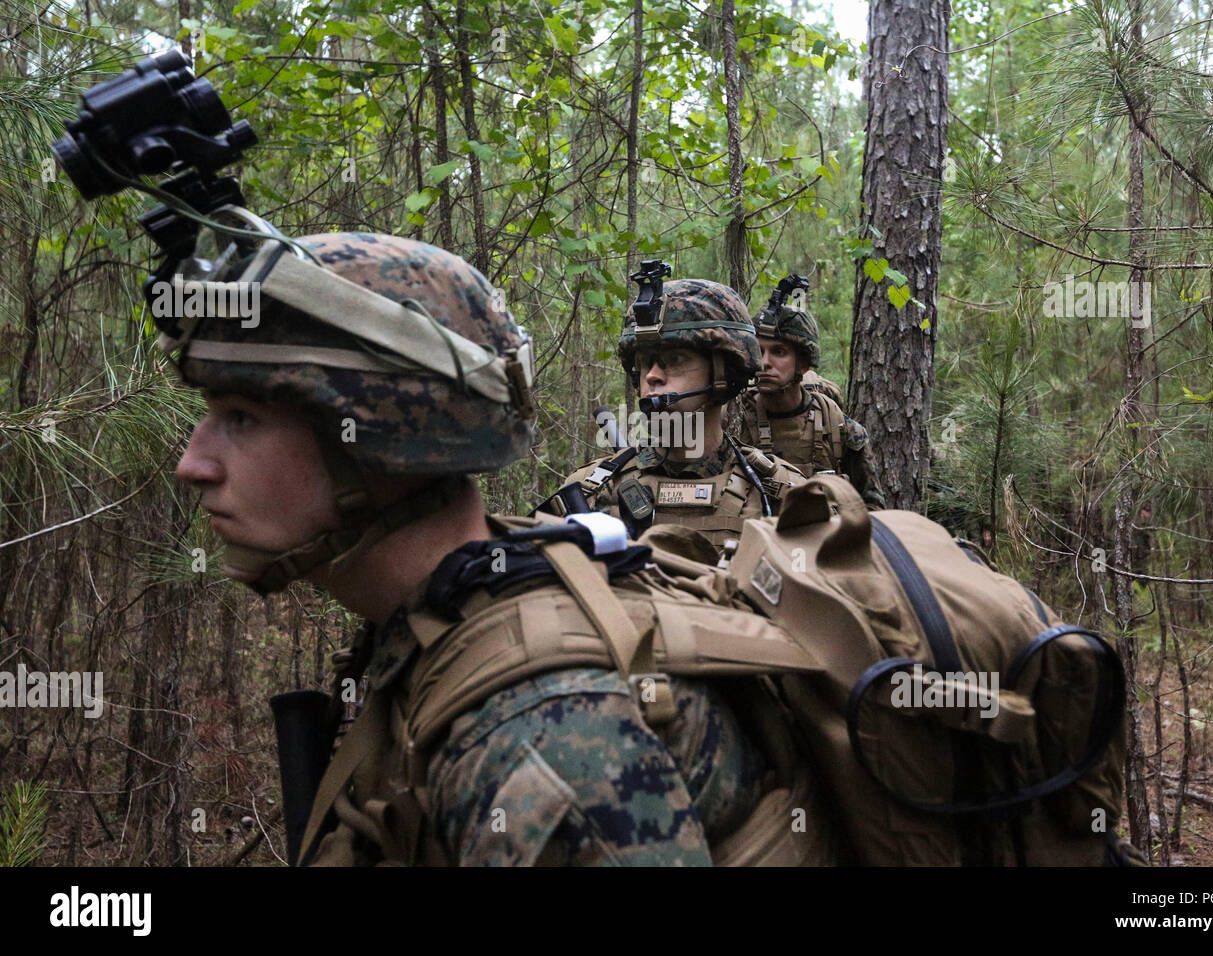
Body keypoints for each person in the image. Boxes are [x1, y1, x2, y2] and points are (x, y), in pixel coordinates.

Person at [173, 232, 809, 866]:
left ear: (386, 433)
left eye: (242, 419)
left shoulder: (549, 743)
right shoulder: (440, 626)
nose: (192, 463)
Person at [557, 265, 805, 558]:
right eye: (646, 363)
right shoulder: (586, 492)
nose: (653, 376)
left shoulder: (782, 494)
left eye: (674, 360)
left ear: (724, 373)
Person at [731, 275, 882, 504]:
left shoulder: (839, 430)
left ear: (803, 363)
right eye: (759, 351)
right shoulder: (733, 421)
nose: (765, 362)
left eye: (779, 352)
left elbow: (872, 507)